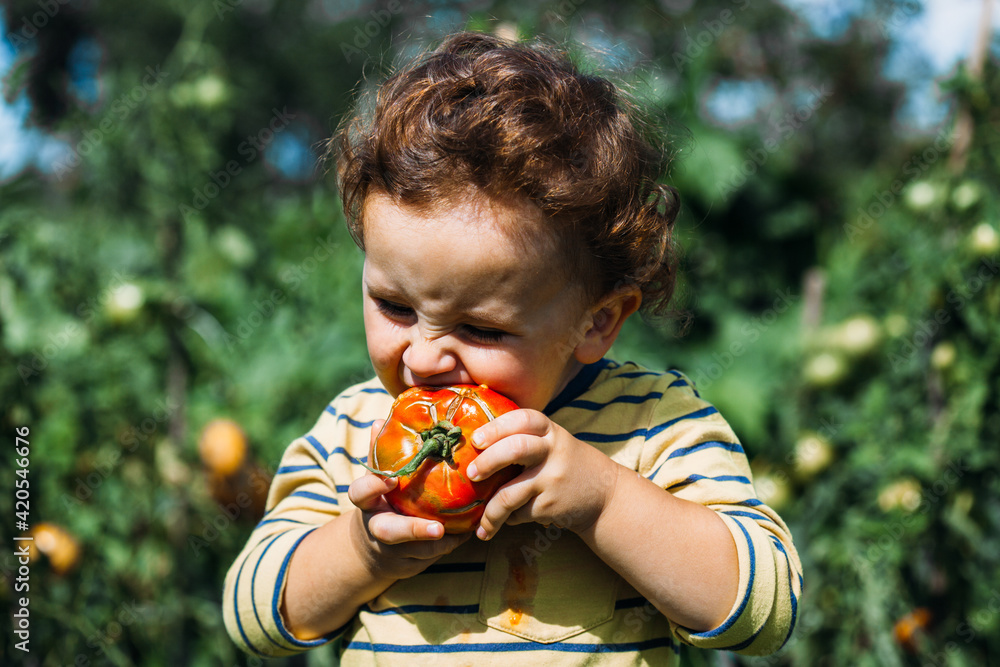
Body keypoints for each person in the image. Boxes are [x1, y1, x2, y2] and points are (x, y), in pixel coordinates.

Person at [223, 31, 802, 665]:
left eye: (481, 330)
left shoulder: (652, 425)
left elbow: (762, 613)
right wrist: (363, 552)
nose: (422, 357)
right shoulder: (355, 430)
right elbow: (253, 617)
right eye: (395, 307)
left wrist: (600, 499)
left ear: (597, 322)